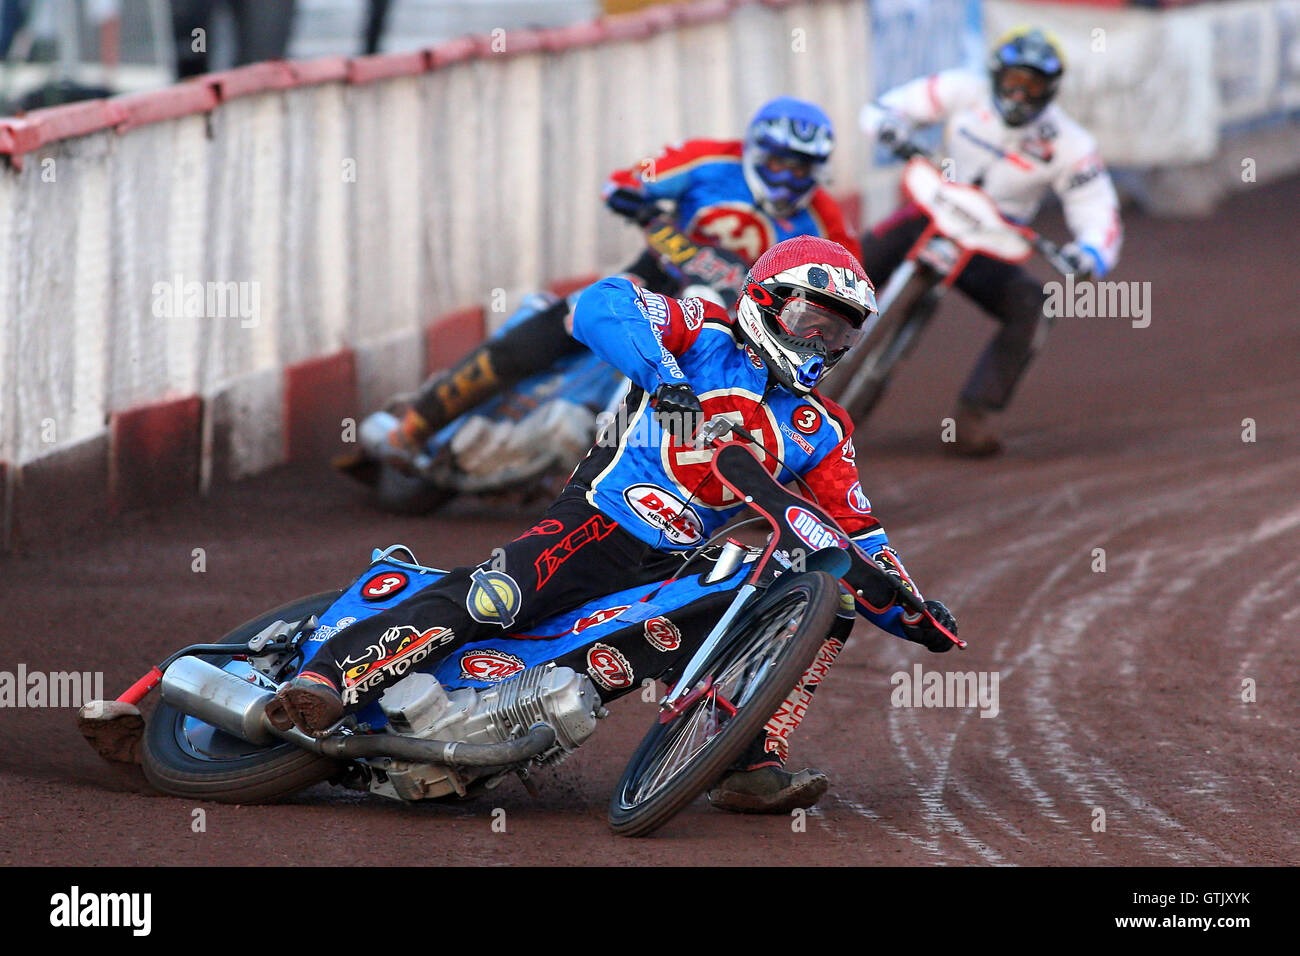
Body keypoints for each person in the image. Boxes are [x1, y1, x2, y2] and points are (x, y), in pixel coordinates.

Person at [270, 235, 959, 814]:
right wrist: (664, 377)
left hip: (676, 562)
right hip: (601, 517)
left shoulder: (824, 426)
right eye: (815, 319)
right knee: (498, 597)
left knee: (812, 596)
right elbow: (602, 303)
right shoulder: (706, 330)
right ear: (769, 302)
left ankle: (747, 756)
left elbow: (858, 534)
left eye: (838, 331)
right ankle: (331, 675)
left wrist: (912, 611)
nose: (823, 340)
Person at [374, 96, 863, 470]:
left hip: (739, 321)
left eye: (799, 166)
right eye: (777, 161)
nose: (786, 176)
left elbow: (849, 281)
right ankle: (418, 423)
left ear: (816, 170)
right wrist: (638, 199)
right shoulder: (708, 160)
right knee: (563, 320)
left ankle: (742, 477)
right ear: (755, 149)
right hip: (652, 281)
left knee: (756, 393)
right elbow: (627, 179)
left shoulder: (824, 219)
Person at [859, 26, 1123, 455]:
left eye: (1033, 86)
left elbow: (1098, 210)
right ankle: (780, 362)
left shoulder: (1072, 145)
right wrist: (890, 127)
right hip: (928, 214)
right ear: (996, 76)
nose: (1019, 96)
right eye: (1013, 83)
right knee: (837, 265)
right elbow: (884, 108)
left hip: (990, 244)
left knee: (1034, 308)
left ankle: (974, 415)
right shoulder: (963, 89)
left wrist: (1089, 252)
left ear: (1051, 91)